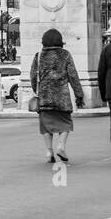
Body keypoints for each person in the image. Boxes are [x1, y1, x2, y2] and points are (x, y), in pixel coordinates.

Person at [31, 28, 85, 164]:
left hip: (44, 97)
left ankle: (49, 152)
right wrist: (79, 94)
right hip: (62, 97)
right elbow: (73, 76)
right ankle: (61, 146)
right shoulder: (65, 55)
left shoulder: (38, 56)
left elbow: (33, 76)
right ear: (60, 42)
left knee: (46, 126)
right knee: (65, 123)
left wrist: (36, 90)